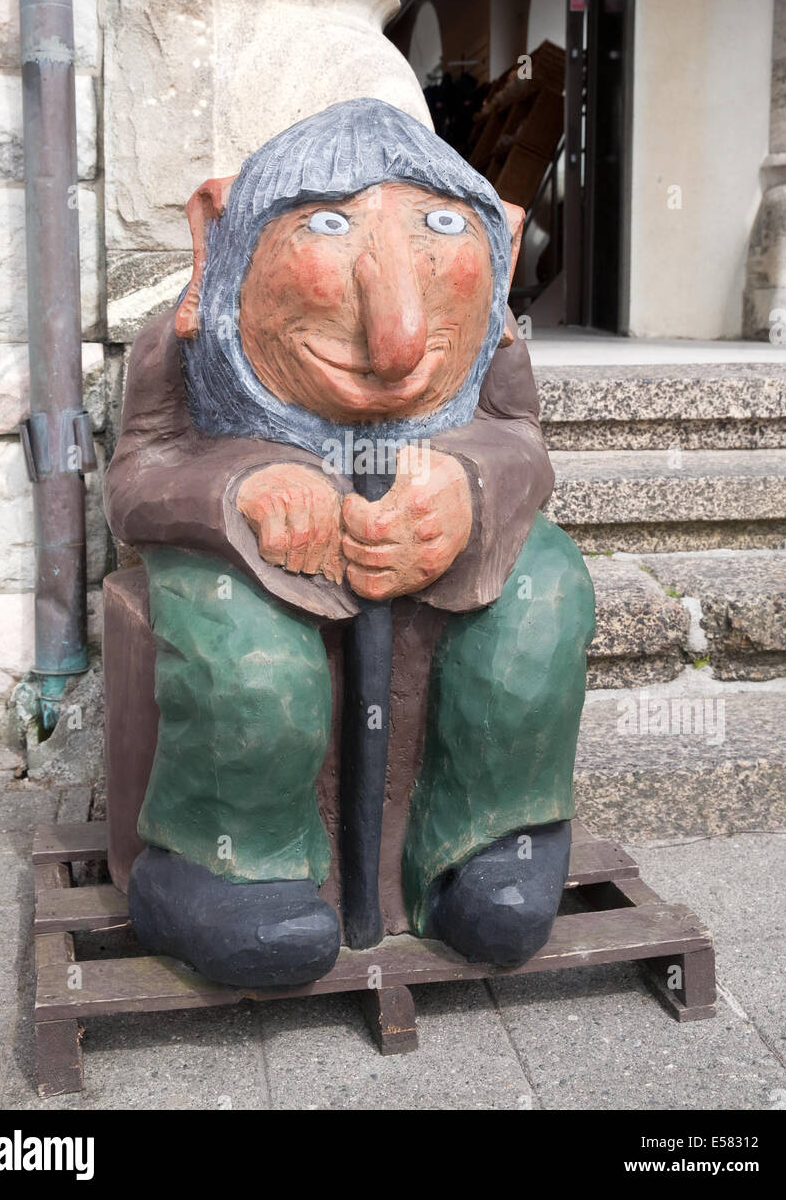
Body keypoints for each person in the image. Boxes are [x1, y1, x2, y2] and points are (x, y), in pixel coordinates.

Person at [104, 98, 595, 988]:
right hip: (250, 569)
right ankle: (222, 864)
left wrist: (471, 488)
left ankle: (492, 842)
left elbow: (521, 437)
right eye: (327, 225)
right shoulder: (179, 344)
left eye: (442, 227)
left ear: (503, 245)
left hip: (440, 565)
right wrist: (235, 488)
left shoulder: (495, 340)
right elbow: (136, 478)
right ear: (219, 238)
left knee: (545, 592)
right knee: (248, 663)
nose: (397, 339)